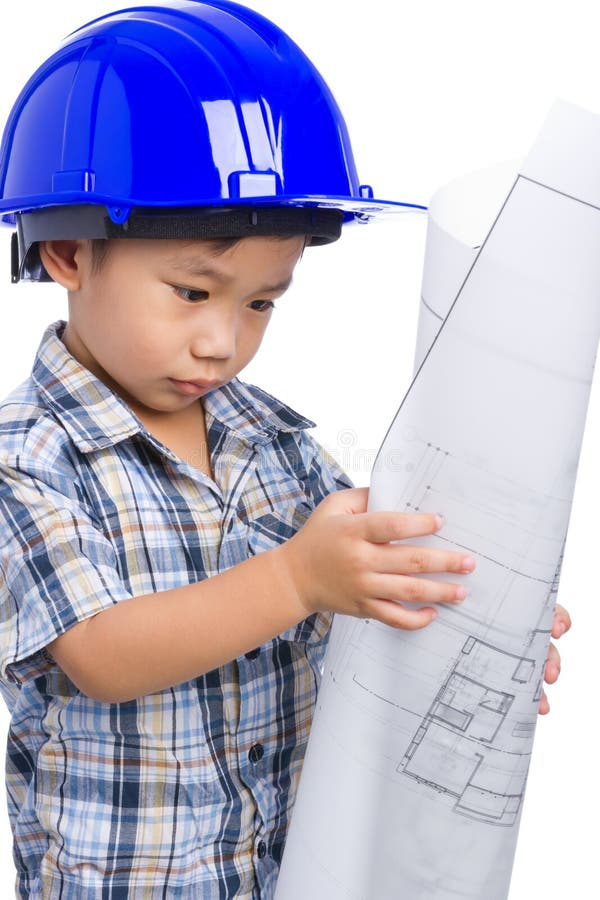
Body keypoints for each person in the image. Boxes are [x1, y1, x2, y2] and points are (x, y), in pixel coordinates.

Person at [0, 2, 570, 897]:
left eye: (262, 302)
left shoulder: (275, 440)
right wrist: (298, 578)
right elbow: (103, 655)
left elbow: (358, 581)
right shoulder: (29, 459)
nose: (223, 341)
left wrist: (463, 620)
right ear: (70, 251)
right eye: (193, 292)